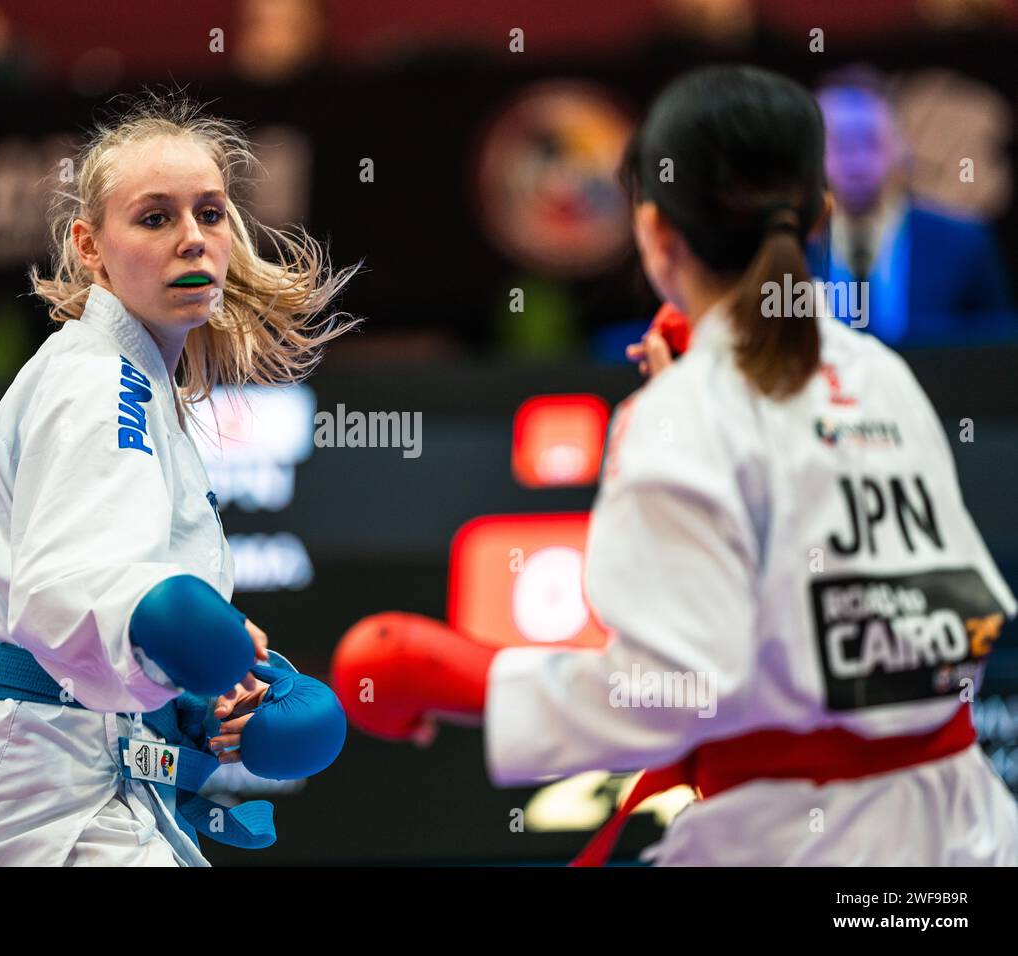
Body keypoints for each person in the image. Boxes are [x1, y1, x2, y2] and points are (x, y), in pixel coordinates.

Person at [332, 65, 1018, 865]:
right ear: (820, 216)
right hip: (966, 828)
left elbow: (681, 690)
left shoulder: (677, 415)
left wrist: (471, 682)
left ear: (656, 234)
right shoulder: (881, 375)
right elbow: (948, 619)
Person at [0, 92, 354, 866]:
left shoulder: (140, 386)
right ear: (90, 246)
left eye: (210, 214)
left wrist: (204, 699)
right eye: (155, 217)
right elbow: (60, 589)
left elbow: (122, 617)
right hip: (31, 808)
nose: (193, 239)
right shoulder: (100, 380)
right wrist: (162, 624)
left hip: (76, 790)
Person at [808, 66, 1013, 346]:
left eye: (870, 142)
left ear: (903, 146)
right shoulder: (788, 245)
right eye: (840, 144)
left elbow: (999, 352)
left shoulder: (964, 244)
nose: (856, 161)